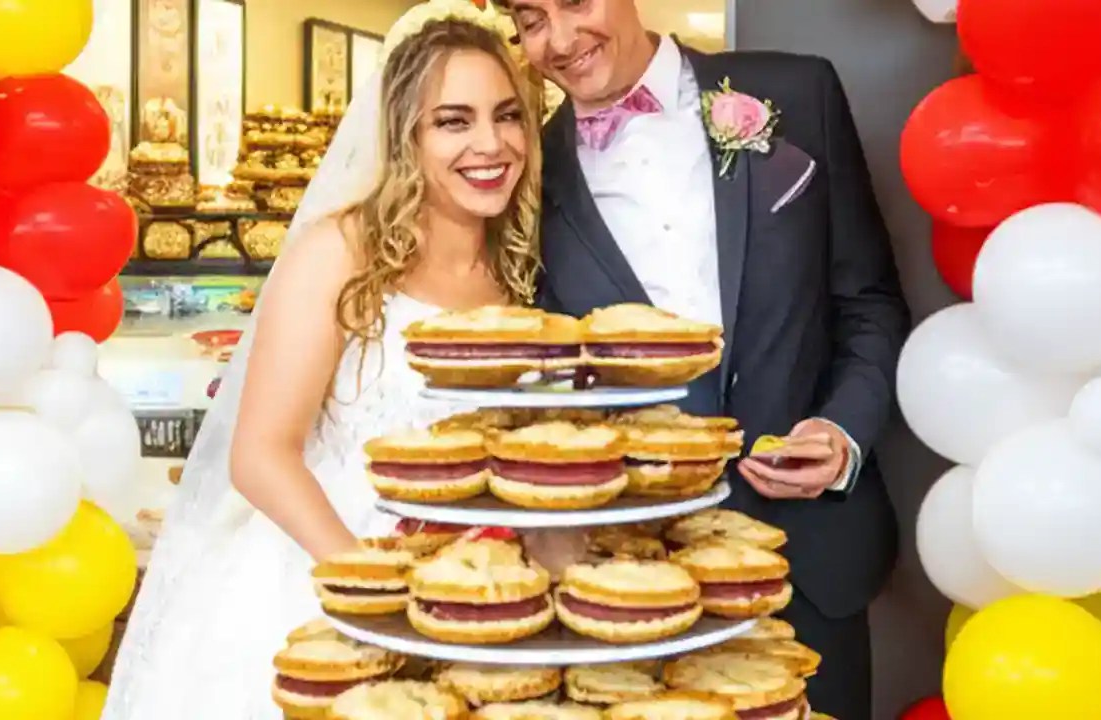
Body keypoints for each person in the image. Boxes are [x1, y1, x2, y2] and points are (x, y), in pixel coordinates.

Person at [101, 6, 542, 718]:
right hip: (324, 575)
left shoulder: (519, 269)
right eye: (453, 121)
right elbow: (260, 455)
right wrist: (379, 594)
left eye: (507, 116)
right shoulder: (341, 253)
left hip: (473, 589)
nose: (491, 143)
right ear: (406, 135)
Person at [498, 1, 911, 717]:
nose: (559, 40)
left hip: (807, 559)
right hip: (627, 585)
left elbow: (868, 301)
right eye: (531, 19)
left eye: (575, 2)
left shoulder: (798, 93)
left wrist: (841, 433)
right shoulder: (525, 174)